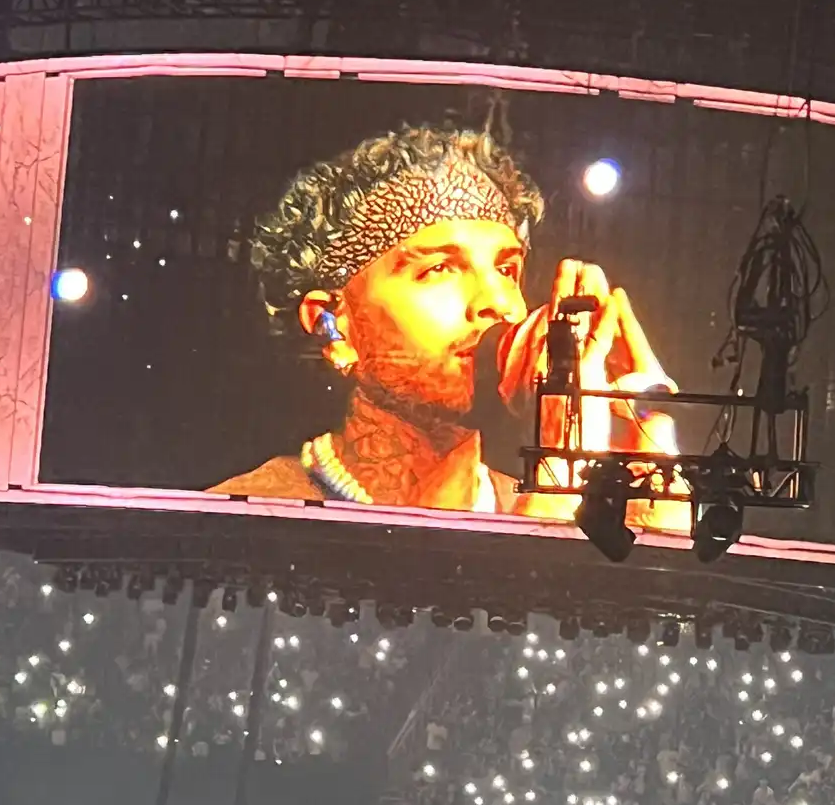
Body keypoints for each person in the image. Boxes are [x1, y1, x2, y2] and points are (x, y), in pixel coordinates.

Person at [210, 124, 683, 527]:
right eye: (438, 269)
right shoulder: (248, 513)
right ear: (334, 326)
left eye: (506, 270)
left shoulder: (525, 500)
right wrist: (549, 509)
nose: (502, 305)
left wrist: (652, 492)